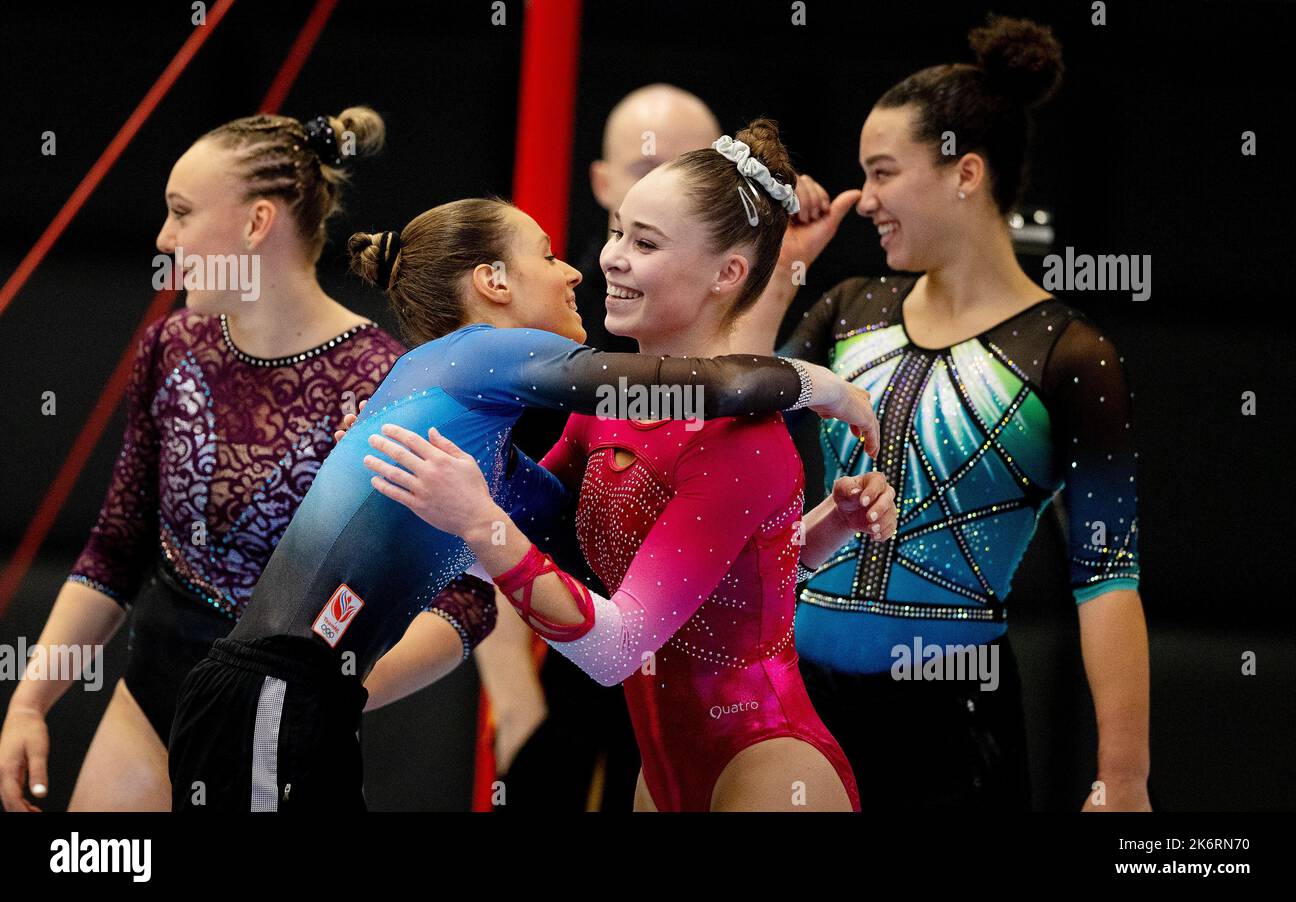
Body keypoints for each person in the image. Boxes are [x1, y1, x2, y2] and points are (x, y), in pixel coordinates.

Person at [166, 195, 878, 811]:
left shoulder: (491, 466)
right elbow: (685, 383)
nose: (575, 271)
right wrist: (825, 387)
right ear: (494, 282)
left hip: (311, 703)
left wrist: (816, 527)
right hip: (271, 690)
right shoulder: (472, 352)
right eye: (548, 254)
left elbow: (624, 572)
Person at [364, 121, 899, 811]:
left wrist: (476, 520)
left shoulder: (741, 440)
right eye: (616, 232)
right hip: (661, 767)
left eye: (644, 243)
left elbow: (617, 645)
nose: (609, 259)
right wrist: (415, 463)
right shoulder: (602, 404)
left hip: (766, 762)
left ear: (726, 274)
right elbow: (545, 526)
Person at [731, 15, 1151, 810]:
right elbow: (726, 405)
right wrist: (785, 268)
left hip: (951, 721)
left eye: (884, 172)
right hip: (795, 704)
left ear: (966, 173)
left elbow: (1107, 579)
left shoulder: (1068, 355)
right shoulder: (849, 307)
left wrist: (1123, 778)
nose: (866, 201)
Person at [0, 106, 465, 812]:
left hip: (278, 724)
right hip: (152, 693)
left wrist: (340, 685)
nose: (164, 238)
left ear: (255, 224)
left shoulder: (385, 383)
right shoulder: (172, 346)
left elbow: (463, 596)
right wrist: (32, 699)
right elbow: (117, 547)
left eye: (181, 213)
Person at [495, 83, 721, 811]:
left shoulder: (749, 323)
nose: (667, 190)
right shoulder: (548, 320)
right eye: (645, 169)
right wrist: (518, 707)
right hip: (580, 661)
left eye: (693, 169)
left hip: (715, 677)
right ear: (601, 184)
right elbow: (488, 515)